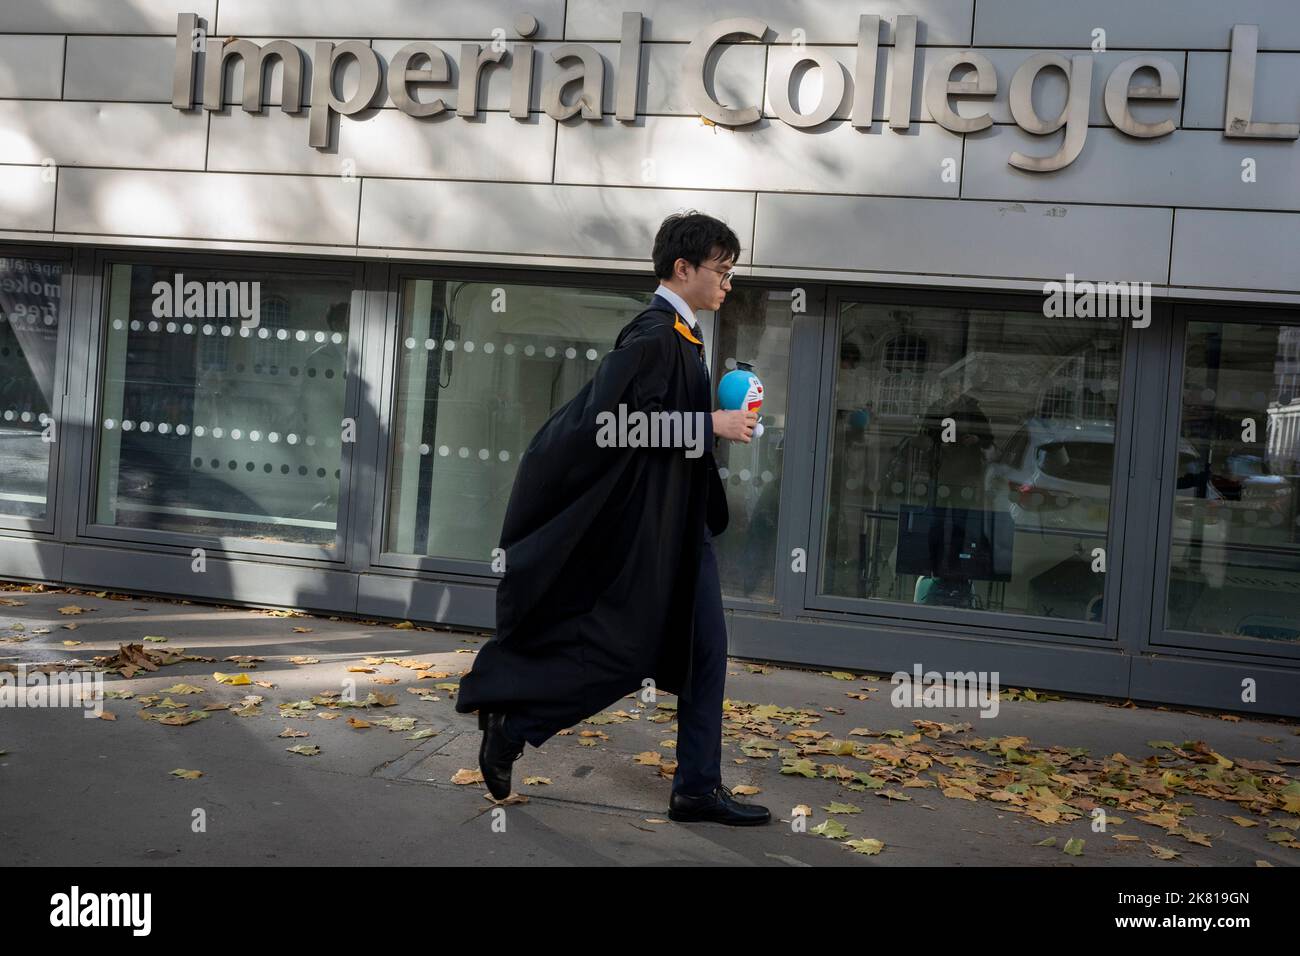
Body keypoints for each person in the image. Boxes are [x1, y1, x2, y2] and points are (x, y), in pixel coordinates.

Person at [454, 211, 770, 826]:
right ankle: (513, 726)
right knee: (629, 654)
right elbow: (613, 425)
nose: (729, 284)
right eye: (722, 271)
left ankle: (696, 789)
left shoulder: (684, 335)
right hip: (648, 534)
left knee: (706, 656)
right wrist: (710, 423)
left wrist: (719, 420)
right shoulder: (651, 335)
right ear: (683, 268)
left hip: (682, 528)